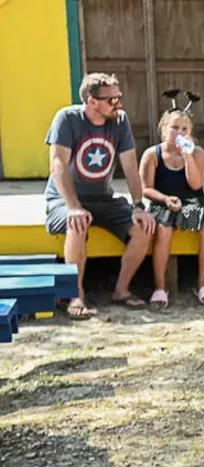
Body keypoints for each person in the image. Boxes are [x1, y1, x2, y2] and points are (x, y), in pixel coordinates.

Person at [43, 73, 156, 318]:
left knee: (143, 226)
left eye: (119, 97)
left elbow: (129, 165)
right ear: (92, 101)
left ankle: (121, 290)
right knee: (78, 221)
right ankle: (76, 294)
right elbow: (58, 165)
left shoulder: (119, 120)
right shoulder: (67, 118)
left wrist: (138, 205)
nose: (119, 104)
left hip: (104, 200)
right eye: (112, 100)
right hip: (65, 200)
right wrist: (73, 206)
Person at [140, 107, 204, 307]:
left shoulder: (198, 153)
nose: (180, 132)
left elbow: (195, 185)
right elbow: (146, 189)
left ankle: (203, 284)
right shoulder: (152, 154)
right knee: (164, 229)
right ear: (164, 129)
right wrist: (166, 199)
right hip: (163, 201)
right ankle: (160, 287)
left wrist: (188, 156)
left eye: (185, 129)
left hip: (192, 200)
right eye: (175, 127)